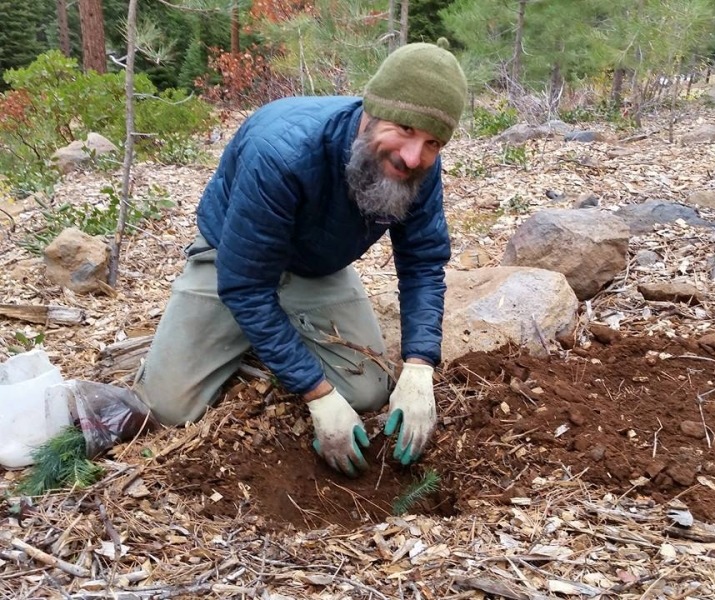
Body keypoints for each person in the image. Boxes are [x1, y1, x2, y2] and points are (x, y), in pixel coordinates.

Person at [132, 41, 468, 477]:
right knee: (169, 406)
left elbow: (422, 260)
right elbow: (245, 285)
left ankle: (268, 338)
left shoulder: (418, 167)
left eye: (432, 142)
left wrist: (421, 366)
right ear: (371, 109)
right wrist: (318, 394)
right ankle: (251, 339)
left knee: (368, 393)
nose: (412, 155)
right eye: (404, 128)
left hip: (315, 267)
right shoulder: (282, 153)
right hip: (232, 260)